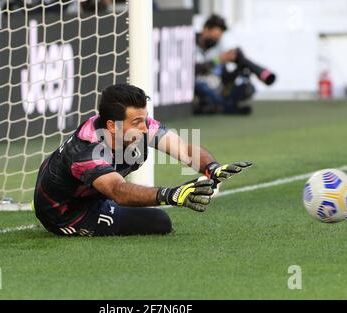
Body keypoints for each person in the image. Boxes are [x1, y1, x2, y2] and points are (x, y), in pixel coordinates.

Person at [33, 84, 252, 237]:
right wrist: (171, 194)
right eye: (137, 122)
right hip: (67, 212)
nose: (146, 128)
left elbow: (183, 148)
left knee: (154, 218)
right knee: (160, 222)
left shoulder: (136, 126)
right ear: (111, 125)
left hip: (92, 193)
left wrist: (211, 168)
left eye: (144, 120)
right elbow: (118, 190)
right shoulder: (87, 151)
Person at [194, 14, 275, 115]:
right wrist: (218, 60)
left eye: (217, 39)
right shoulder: (190, 42)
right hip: (198, 87)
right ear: (206, 29)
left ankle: (222, 106)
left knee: (247, 87)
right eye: (213, 37)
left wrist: (237, 57)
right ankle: (228, 108)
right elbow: (193, 70)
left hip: (218, 85)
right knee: (203, 86)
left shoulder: (219, 46)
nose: (214, 41)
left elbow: (234, 62)